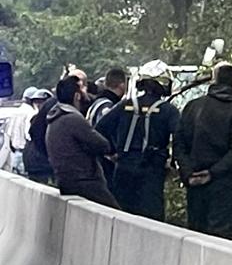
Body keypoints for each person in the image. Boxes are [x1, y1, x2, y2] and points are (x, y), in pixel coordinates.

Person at [174, 62, 232, 240]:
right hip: (224, 185)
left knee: (195, 235)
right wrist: (212, 173)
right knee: (220, 238)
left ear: (214, 80)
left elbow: (179, 144)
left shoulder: (192, 106)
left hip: (194, 183)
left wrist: (188, 173)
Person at [97, 61, 179, 221]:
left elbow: (100, 129)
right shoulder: (168, 110)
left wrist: (112, 152)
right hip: (152, 171)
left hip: (123, 168)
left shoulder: (124, 105)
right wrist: (173, 162)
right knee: (152, 221)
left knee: (122, 216)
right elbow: (180, 137)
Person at [45, 75, 118, 208]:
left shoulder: (54, 118)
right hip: (85, 183)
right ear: (77, 96)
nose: (86, 91)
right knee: (117, 216)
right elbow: (102, 145)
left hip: (66, 182)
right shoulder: (73, 119)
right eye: (82, 89)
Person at [87, 67, 128, 188]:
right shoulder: (108, 107)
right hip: (104, 161)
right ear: (122, 85)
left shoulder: (96, 102)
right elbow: (106, 132)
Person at [0, 87, 39, 174]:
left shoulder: (16, 112)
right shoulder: (32, 113)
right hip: (25, 154)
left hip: (14, 154)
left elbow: (8, 133)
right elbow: (29, 135)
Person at [22, 88, 54, 184]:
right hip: (39, 165)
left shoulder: (53, 119)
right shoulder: (35, 120)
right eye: (37, 102)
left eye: (42, 102)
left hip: (41, 165)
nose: (40, 105)